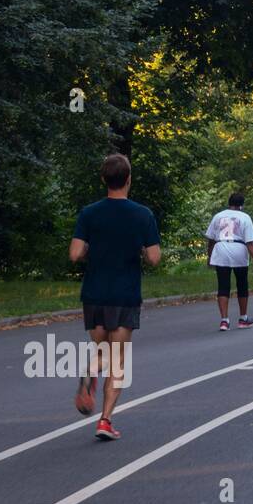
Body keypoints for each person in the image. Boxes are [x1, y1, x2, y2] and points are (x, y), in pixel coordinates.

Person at [69, 154, 161, 441]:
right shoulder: (143, 215)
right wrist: (142, 251)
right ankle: (105, 421)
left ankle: (90, 372)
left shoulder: (89, 213)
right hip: (125, 295)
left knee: (102, 351)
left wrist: (89, 250)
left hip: (94, 294)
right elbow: (155, 258)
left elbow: (74, 254)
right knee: (118, 359)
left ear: (103, 180)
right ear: (129, 179)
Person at [205, 192, 253, 331]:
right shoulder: (245, 217)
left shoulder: (218, 216)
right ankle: (243, 318)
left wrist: (209, 257)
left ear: (229, 203)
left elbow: (211, 240)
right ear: (241, 205)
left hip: (220, 249)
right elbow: (251, 242)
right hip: (238, 250)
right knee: (242, 284)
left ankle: (224, 321)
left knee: (223, 285)